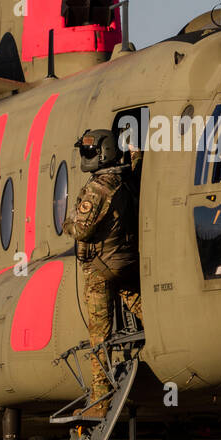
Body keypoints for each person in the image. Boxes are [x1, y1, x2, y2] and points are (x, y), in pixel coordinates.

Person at [63, 128, 142, 421]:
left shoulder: (98, 188)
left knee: (99, 335)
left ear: (103, 152)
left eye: (88, 151)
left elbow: (82, 228)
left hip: (101, 269)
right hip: (124, 261)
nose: (85, 156)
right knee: (136, 302)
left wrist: (67, 223)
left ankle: (100, 397)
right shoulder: (125, 178)